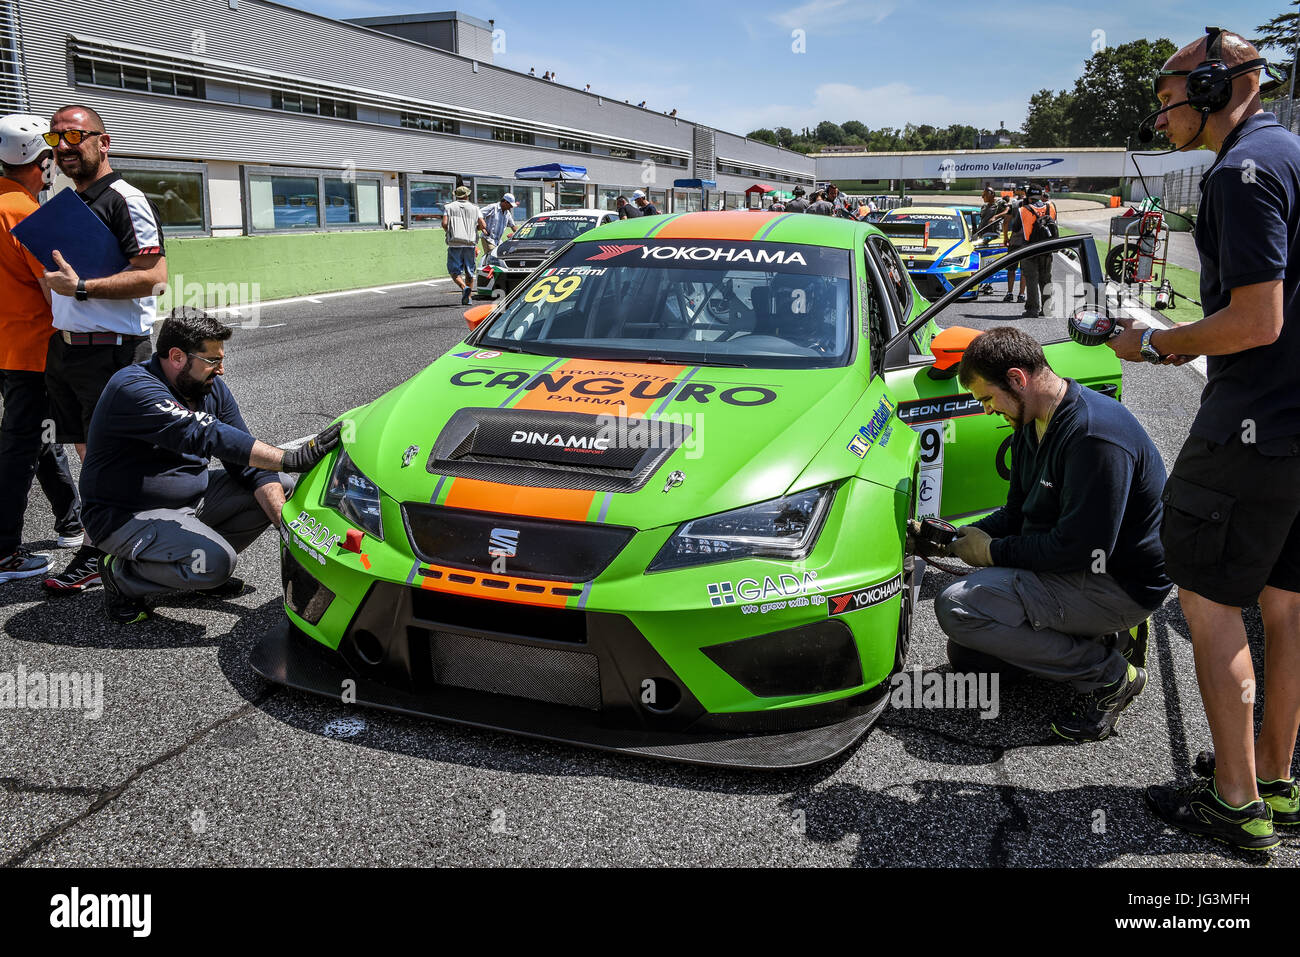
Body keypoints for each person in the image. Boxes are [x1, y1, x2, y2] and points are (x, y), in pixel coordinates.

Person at [1107, 28, 1300, 851]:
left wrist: (1156, 342)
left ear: (1217, 85)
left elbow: (1257, 319)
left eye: (1168, 97)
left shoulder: (1238, 172)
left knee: (1209, 601)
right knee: (1286, 605)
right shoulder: (1290, 153)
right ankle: (1276, 779)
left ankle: (1235, 801)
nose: (1162, 116)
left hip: (1252, 428)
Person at [934, 328, 1172, 741]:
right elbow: (1016, 514)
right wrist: (953, 539)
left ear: (1017, 379)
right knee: (972, 658)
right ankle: (1104, 638)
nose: (987, 411)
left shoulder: (1094, 437)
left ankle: (1111, 676)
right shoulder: (1032, 422)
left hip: (1119, 583)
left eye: (987, 398)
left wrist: (990, 552)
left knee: (958, 608)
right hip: (1081, 566)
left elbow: (1081, 550)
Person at [81, 308, 340, 623]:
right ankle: (122, 575)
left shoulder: (209, 387)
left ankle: (194, 569)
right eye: (212, 361)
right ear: (177, 357)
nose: (221, 370)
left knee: (279, 487)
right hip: (125, 516)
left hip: (191, 502)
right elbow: (204, 433)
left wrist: (291, 536)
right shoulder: (133, 387)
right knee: (217, 563)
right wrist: (290, 458)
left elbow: (248, 465)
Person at [39, 104, 168, 595]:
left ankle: (106, 553)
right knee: (88, 453)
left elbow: (154, 279)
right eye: (55, 139)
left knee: (111, 458)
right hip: (69, 351)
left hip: (114, 352)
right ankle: (111, 541)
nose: (64, 147)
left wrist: (81, 288)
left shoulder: (126, 199)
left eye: (74, 136)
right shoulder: (70, 202)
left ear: (103, 141)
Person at [0, 113, 83, 584]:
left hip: (5, 346)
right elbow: (53, 286)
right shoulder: (26, 213)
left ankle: (69, 520)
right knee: (20, 445)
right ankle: (4, 552)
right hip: (33, 346)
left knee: (40, 434)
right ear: (41, 161)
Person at [1015, 185, 1058, 318]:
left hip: (1029, 249)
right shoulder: (1051, 207)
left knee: (1031, 279)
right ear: (1041, 195)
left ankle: (1032, 309)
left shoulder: (1023, 209)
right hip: (1047, 249)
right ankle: (1047, 309)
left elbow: (1016, 228)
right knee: (1046, 279)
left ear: (1028, 197)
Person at [441, 185, 486, 307]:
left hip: (454, 243)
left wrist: (449, 231)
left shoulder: (449, 207)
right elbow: (483, 225)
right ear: (467, 195)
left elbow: (444, 223)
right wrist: (474, 229)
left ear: (456, 195)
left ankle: (463, 287)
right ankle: (468, 297)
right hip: (470, 243)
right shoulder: (475, 208)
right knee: (469, 271)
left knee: (454, 270)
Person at [1000, 183, 1028, 303]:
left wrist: (1005, 237)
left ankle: (1009, 293)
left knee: (1011, 269)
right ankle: (1021, 294)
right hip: (1027, 241)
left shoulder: (1014, 204)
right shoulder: (1032, 204)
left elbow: (1006, 222)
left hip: (1015, 240)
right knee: (1024, 270)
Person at [479, 192, 517, 264]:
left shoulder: (507, 213)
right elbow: (479, 214)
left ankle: (485, 266)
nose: (511, 207)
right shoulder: (493, 207)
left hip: (498, 241)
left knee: (499, 257)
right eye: (510, 205)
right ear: (505, 202)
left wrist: (519, 234)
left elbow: (513, 225)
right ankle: (484, 267)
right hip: (488, 239)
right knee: (492, 257)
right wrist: (482, 228)